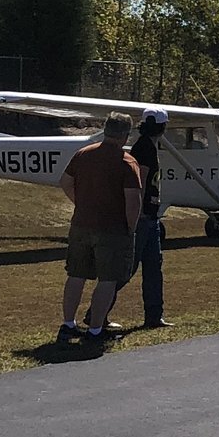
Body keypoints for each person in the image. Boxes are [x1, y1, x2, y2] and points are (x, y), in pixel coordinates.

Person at [58, 112, 142, 347]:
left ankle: (68, 323)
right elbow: (133, 201)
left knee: (76, 275)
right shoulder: (127, 162)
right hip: (112, 229)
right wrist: (131, 228)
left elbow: (65, 182)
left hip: (80, 224)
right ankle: (95, 329)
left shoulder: (83, 154)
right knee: (108, 279)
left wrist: (81, 203)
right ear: (125, 135)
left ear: (105, 130)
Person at [131, 108, 170, 329]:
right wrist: (138, 211)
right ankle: (97, 314)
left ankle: (154, 316)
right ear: (163, 128)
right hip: (144, 216)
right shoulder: (144, 148)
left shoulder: (146, 146)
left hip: (151, 216)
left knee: (154, 267)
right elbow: (142, 181)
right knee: (128, 268)